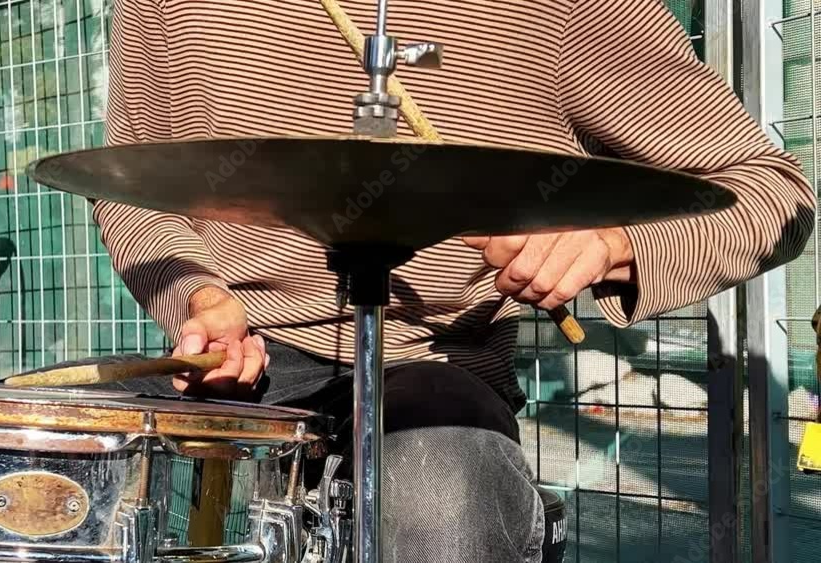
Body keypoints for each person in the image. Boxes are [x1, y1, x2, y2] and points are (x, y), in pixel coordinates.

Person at [91, 0, 816, 561]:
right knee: (39, 452)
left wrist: (611, 244)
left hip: (437, 357)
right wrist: (199, 296)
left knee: (441, 489)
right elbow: (126, 183)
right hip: (238, 358)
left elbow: (772, 192)